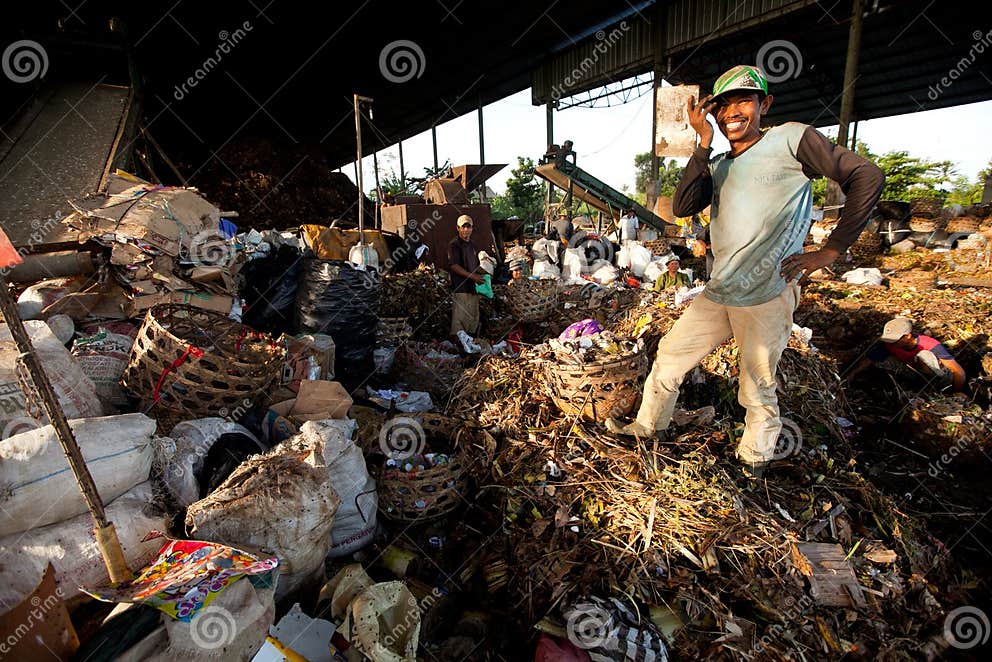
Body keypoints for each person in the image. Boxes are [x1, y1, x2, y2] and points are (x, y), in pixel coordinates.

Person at [606, 64, 885, 478]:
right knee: (669, 357)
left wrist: (831, 250)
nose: (733, 112)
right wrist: (702, 143)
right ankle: (649, 428)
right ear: (715, 115)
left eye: (743, 101)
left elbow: (867, 175)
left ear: (763, 104)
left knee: (756, 386)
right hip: (720, 291)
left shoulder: (791, 140)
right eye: (723, 106)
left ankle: (753, 461)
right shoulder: (718, 166)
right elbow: (683, 207)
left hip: (767, 293)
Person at [847, 317, 966, 392]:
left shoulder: (930, 345)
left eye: (894, 340)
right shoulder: (890, 345)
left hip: (940, 379)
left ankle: (932, 389)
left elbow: (959, 372)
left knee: (924, 355)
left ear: (907, 336)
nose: (891, 344)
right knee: (882, 360)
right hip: (915, 374)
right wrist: (853, 373)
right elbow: (871, 358)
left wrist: (956, 393)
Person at [447, 214, 485, 336]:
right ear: (458, 228)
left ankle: (471, 347)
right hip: (461, 288)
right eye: (463, 227)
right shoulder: (454, 245)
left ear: (472, 228)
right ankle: (459, 347)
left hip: (473, 288)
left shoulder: (473, 246)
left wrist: (486, 273)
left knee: (472, 319)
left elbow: (476, 266)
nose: (466, 230)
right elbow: (454, 266)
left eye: (469, 227)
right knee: (460, 321)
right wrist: (473, 276)